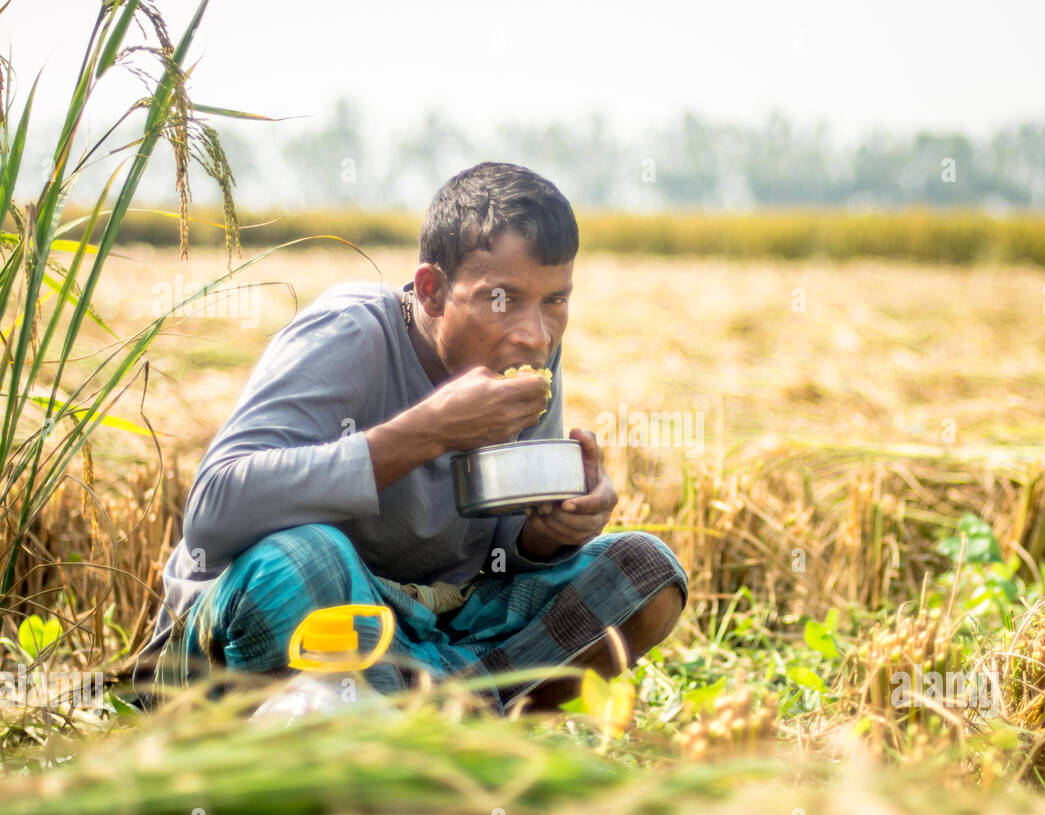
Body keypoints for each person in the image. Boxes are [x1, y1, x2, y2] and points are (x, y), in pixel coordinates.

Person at [129, 161, 688, 715]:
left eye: (555, 300)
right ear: (432, 291)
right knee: (303, 560)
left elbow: (498, 553)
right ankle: (418, 718)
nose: (535, 334)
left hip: (424, 633)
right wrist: (429, 430)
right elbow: (213, 510)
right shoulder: (350, 334)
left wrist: (548, 534)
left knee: (644, 570)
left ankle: (438, 711)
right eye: (503, 299)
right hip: (259, 635)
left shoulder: (531, 355)